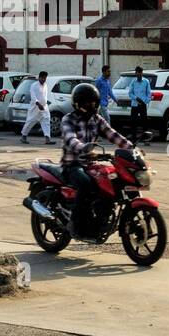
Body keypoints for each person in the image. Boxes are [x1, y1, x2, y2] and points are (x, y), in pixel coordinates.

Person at [60, 82, 133, 236]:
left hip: (90, 164)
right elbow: (70, 138)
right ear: (78, 103)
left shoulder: (97, 119)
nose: (91, 105)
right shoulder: (68, 119)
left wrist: (130, 147)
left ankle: (101, 218)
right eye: (87, 102)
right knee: (86, 184)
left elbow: (112, 134)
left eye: (93, 102)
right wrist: (83, 147)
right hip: (72, 164)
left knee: (112, 181)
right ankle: (76, 224)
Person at [20, 71, 53, 144]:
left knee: (46, 121)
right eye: (43, 78)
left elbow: (44, 96)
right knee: (30, 121)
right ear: (39, 77)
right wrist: (38, 104)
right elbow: (33, 97)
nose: (44, 79)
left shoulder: (45, 85)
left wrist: (46, 101)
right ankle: (23, 136)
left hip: (44, 107)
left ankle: (47, 139)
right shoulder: (34, 85)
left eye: (45, 78)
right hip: (35, 107)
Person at [128, 66, 152, 140]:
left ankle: (146, 138)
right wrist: (136, 98)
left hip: (143, 104)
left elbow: (149, 93)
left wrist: (145, 101)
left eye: (140, 73)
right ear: (135, 73)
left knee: (144, 122)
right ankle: (134, 139)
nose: (139, 74)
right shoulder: (133, 82)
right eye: (137, 73)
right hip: (134, 104)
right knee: (133, 122)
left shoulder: (146, 81)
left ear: (142, 73)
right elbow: (130, 93)